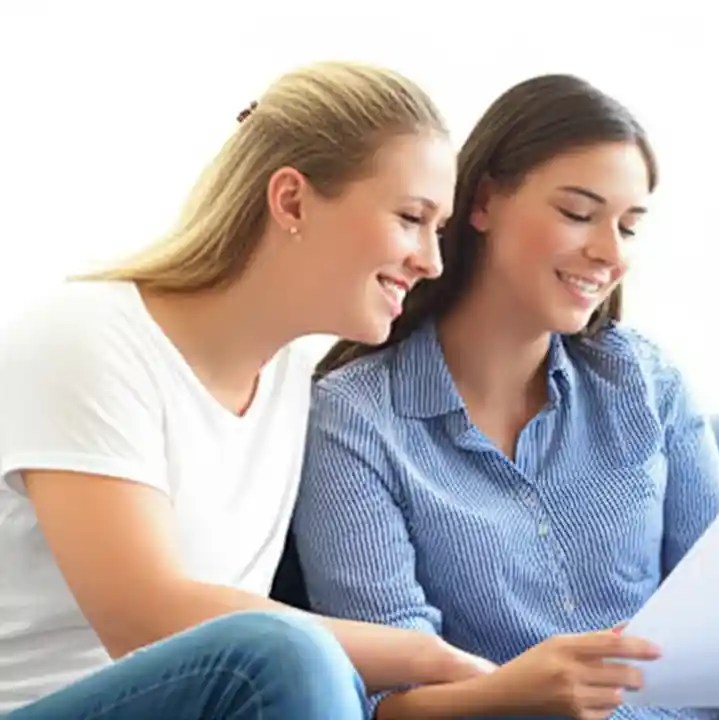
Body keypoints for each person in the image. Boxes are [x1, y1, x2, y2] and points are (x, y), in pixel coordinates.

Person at [295, 73, 719, 720]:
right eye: (578, 213)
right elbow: (390, 704)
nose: (607, 252)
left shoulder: (645, 382)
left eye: (628, 227)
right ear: (483, 202)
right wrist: (521, 690)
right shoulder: (355, 418)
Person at [0, 61, 494, 719]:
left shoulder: (292, 381)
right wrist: (429, 656)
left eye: (439, 231)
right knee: (286, 654)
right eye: (411, 217)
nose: (430, 261)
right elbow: (143, 617)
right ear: (291, 200)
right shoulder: (86, 339)